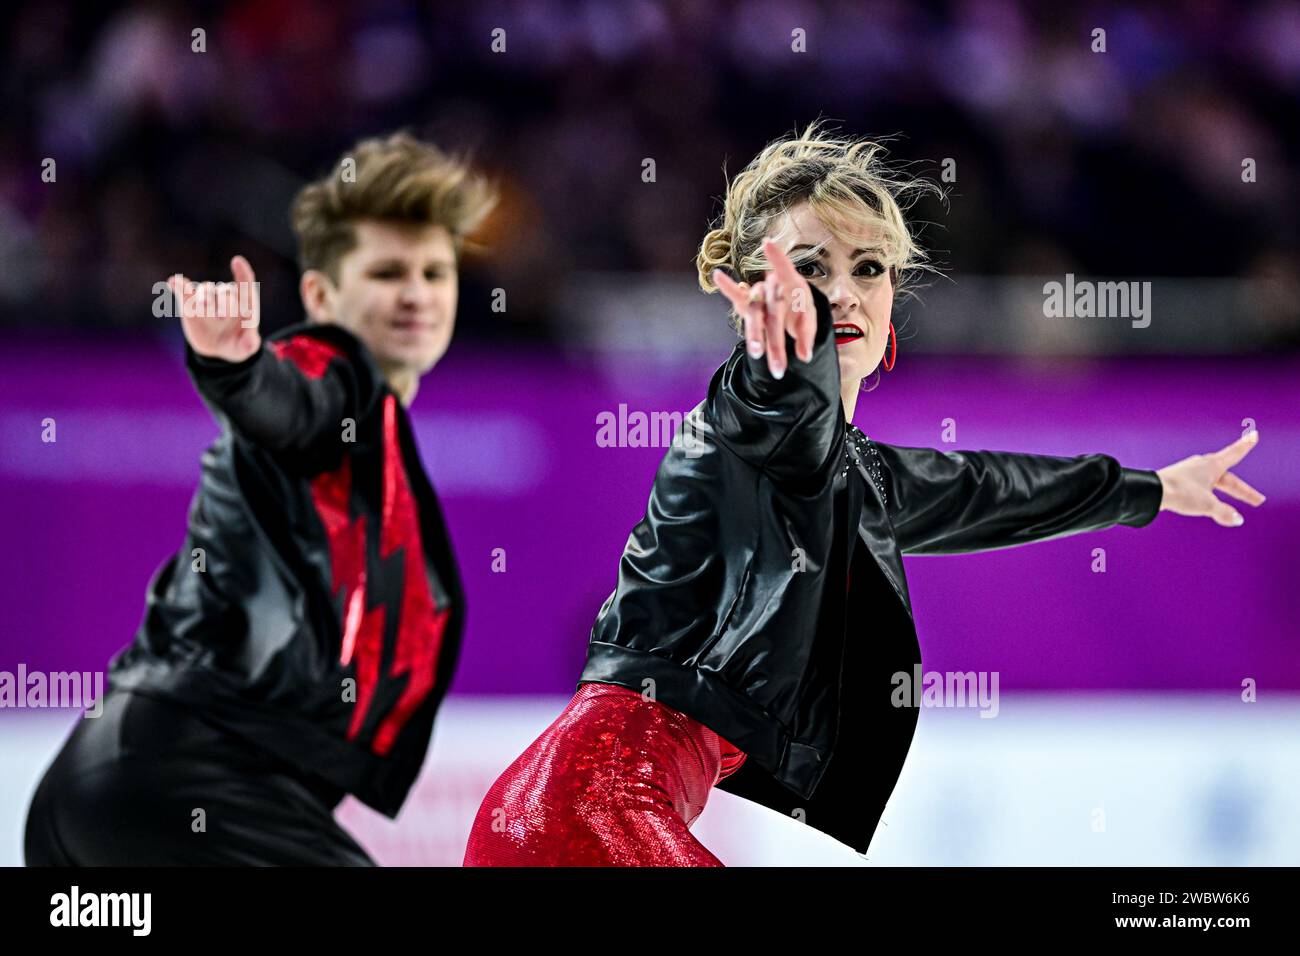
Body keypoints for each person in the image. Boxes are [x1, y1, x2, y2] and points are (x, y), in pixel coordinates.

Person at [462, 122, 1265, 866]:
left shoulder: (861, 478)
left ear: (893, 304)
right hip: (584, 810)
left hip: (581, 813)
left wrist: (1151, 487)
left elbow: (985, 490)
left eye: (868, 268)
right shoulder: (750, 413)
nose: (841, 292)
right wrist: (785, 356)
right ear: (752, 292)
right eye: (808, 269)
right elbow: (785, 401)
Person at [24, 132, 496, 865]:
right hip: (184, 782)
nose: (416, 293)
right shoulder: (333, 374)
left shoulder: (380, 442)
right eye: (387, 271)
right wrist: (239, 370)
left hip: (112, 800)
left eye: (436, 272)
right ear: (320, 295)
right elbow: (288, 403)